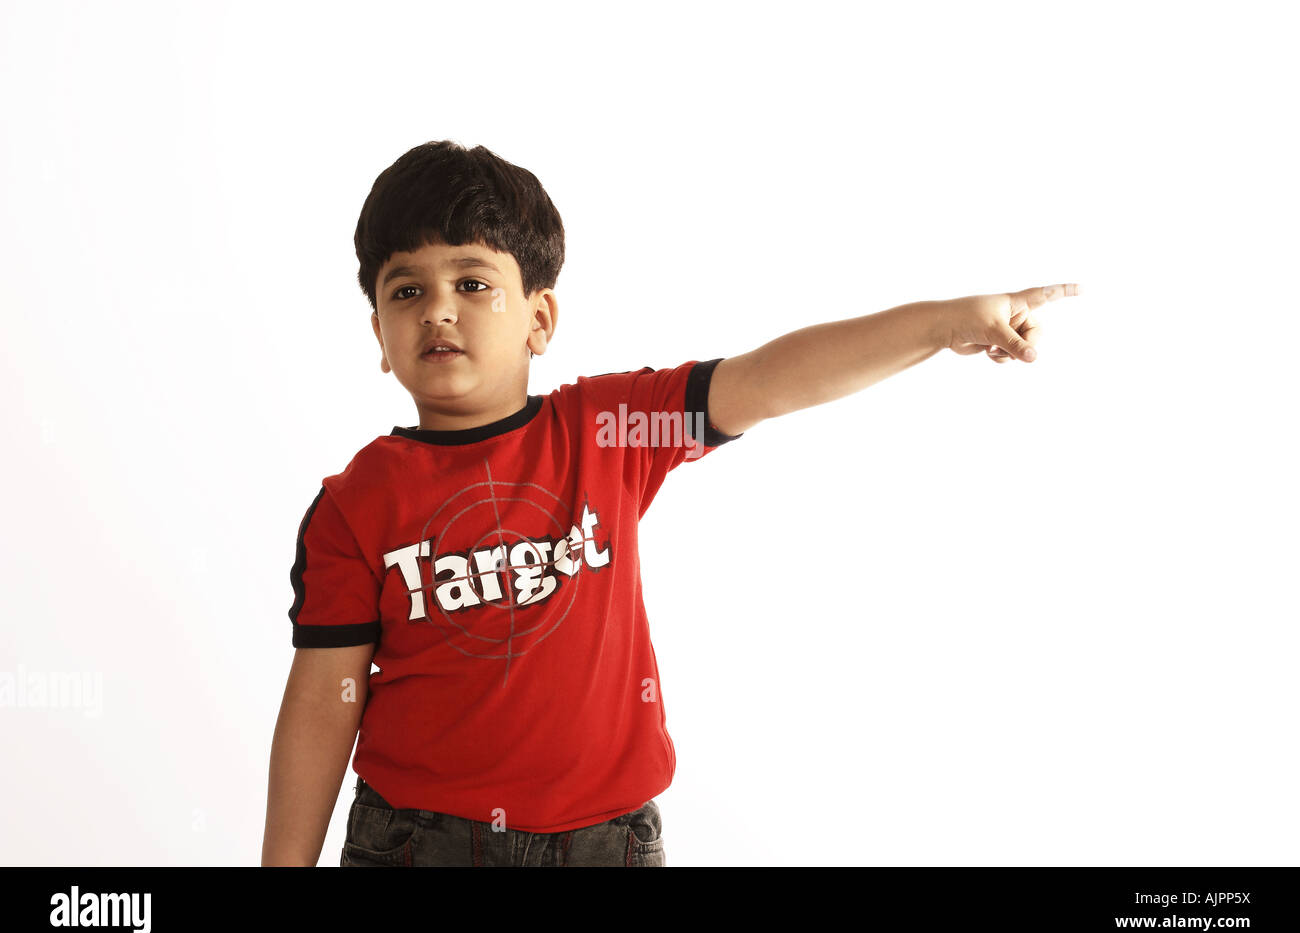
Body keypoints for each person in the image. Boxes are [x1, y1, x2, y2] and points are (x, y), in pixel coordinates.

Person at [261, 139, 1079, 867]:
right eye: (405, 292)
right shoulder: (353, 504)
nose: (437, 308)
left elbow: (764, 381)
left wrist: (940, 325)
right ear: (377, 332)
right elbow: (323, 701)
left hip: (607, 842)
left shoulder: (610, 428)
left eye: (473, 283)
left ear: (540, 318)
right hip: (419, 840)